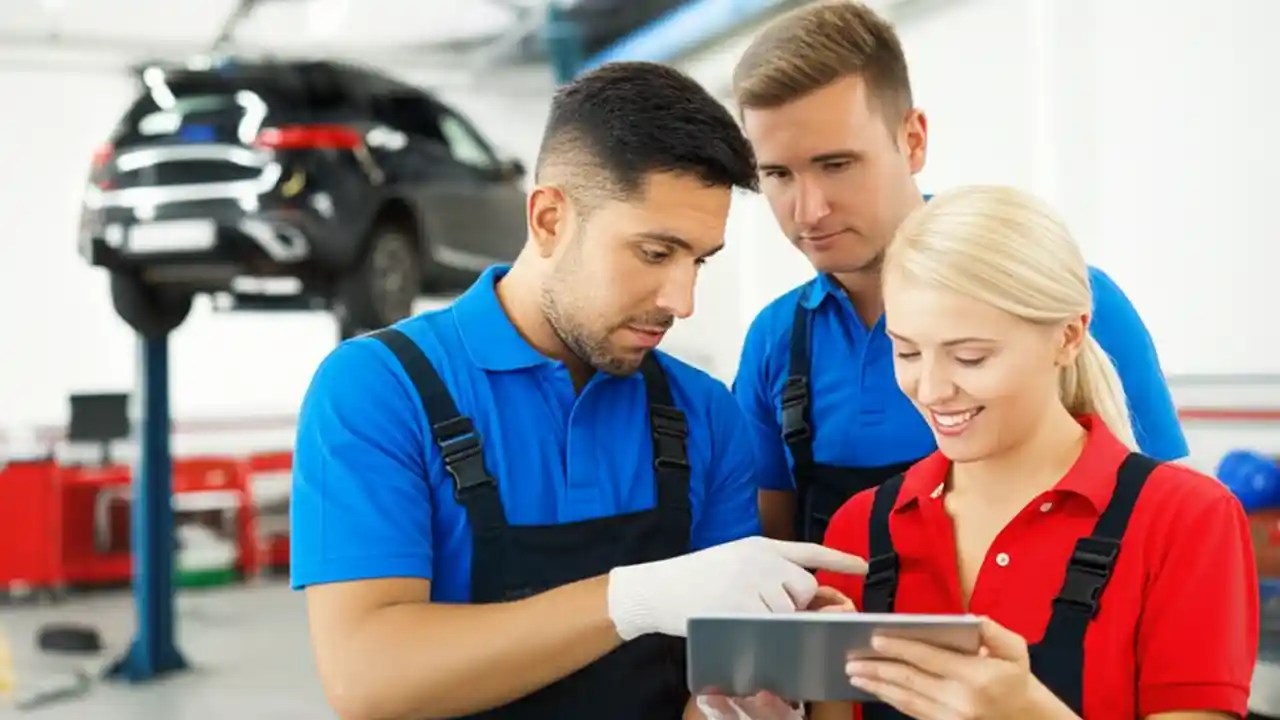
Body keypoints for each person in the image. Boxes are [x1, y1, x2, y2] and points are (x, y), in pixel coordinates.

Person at [289, 61, 867, 720]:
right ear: (550, 219)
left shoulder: (704, 414)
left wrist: (784, 671)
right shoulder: (380, 390)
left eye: (699, 260)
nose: (681, 300)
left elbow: (716, 689)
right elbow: (369, 680)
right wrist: (631, 600)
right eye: (655, 253)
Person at [728, 0, 1189, 544]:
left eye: (837, 165)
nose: (808, 210)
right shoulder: (773, 341)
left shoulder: (1064, 300)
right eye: (778, 174)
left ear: (913, 140)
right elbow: (768, 563)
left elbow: (1176, 533)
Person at [796, 185, 1256, 719]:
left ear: (1067, 337)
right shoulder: (861, 529)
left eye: (970, 357)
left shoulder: (1187, 519)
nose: (932, 389)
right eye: (907, 351)